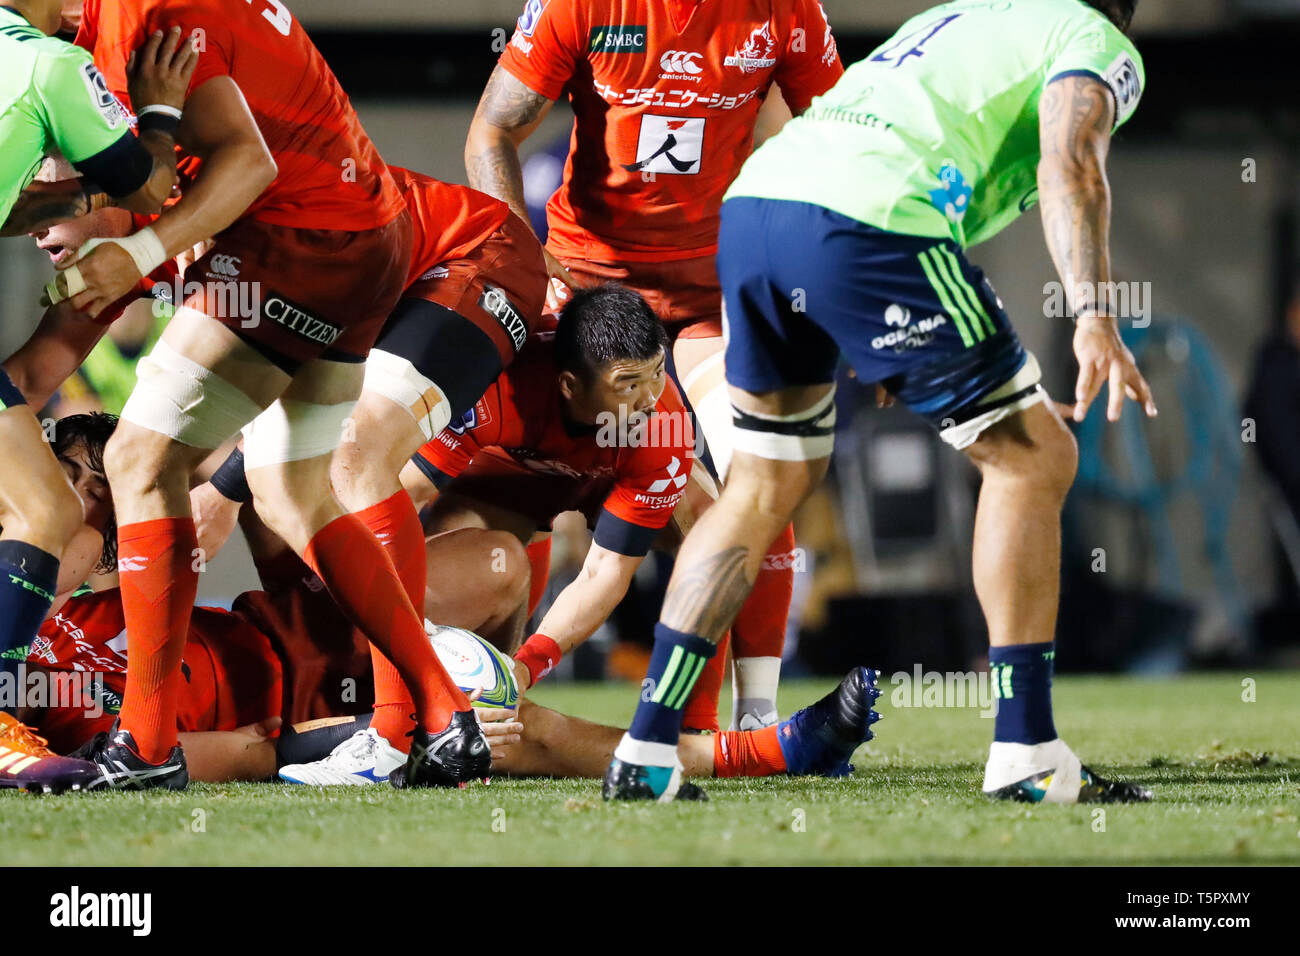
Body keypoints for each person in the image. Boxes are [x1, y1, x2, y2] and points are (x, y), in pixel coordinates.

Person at [605, 0, 1158, 804]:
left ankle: (647, 747)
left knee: (763, 483)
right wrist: (1095, 315)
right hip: (871, 221)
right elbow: (1070, 160)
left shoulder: (967, 13)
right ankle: (1026, 751)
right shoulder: (1092, 36)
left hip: (759, 209)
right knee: (1035, 457)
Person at [57, 0, 479, 791]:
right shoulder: (119, 26)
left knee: (139, 460)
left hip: (301, 239)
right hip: (366, 235)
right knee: (292, 489)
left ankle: (145, 750)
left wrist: (136, 253)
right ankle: (444, 709)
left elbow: (247, 165)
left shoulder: (141, 18)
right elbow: (167, 165)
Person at [463, 0, 845, 729]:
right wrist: (523, 259)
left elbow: (843, 143)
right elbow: (492, 130)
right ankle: (454, 674)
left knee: (759, 475)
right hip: (585, 285)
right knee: (524, 479)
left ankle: (754, 717)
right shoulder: (584, 6)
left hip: (712, 292)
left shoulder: (787, 10)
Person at [0, 2, 192, 793]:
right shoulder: (51, 62)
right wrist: (157, 109)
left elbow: (30, 382)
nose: (87, 8)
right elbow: (149, 179)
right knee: (49, 509)